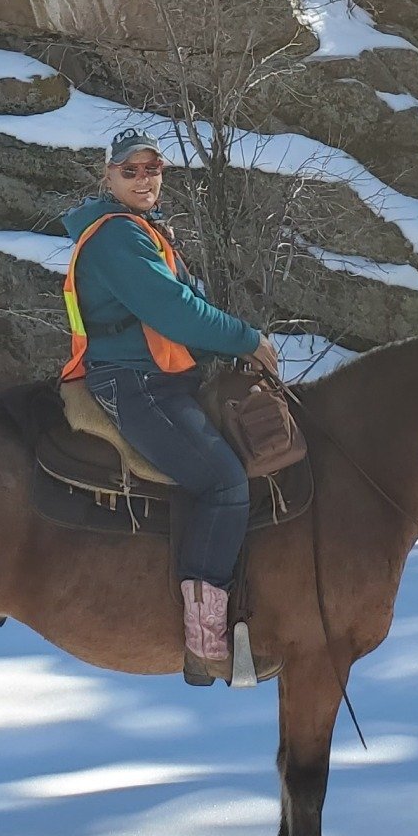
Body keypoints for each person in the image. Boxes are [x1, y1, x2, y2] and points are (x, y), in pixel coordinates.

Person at [60, 128, 280, 684]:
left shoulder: (141, 232)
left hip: (158, 378)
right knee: (224, 482)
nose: (143, 179)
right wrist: (247, 339)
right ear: (107, 177)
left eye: (152, 169)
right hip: (135, 384)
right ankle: (206, 642)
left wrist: (229, 348)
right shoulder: (116, 238)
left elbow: (187, 310)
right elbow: (174, 311)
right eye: (130, 170)